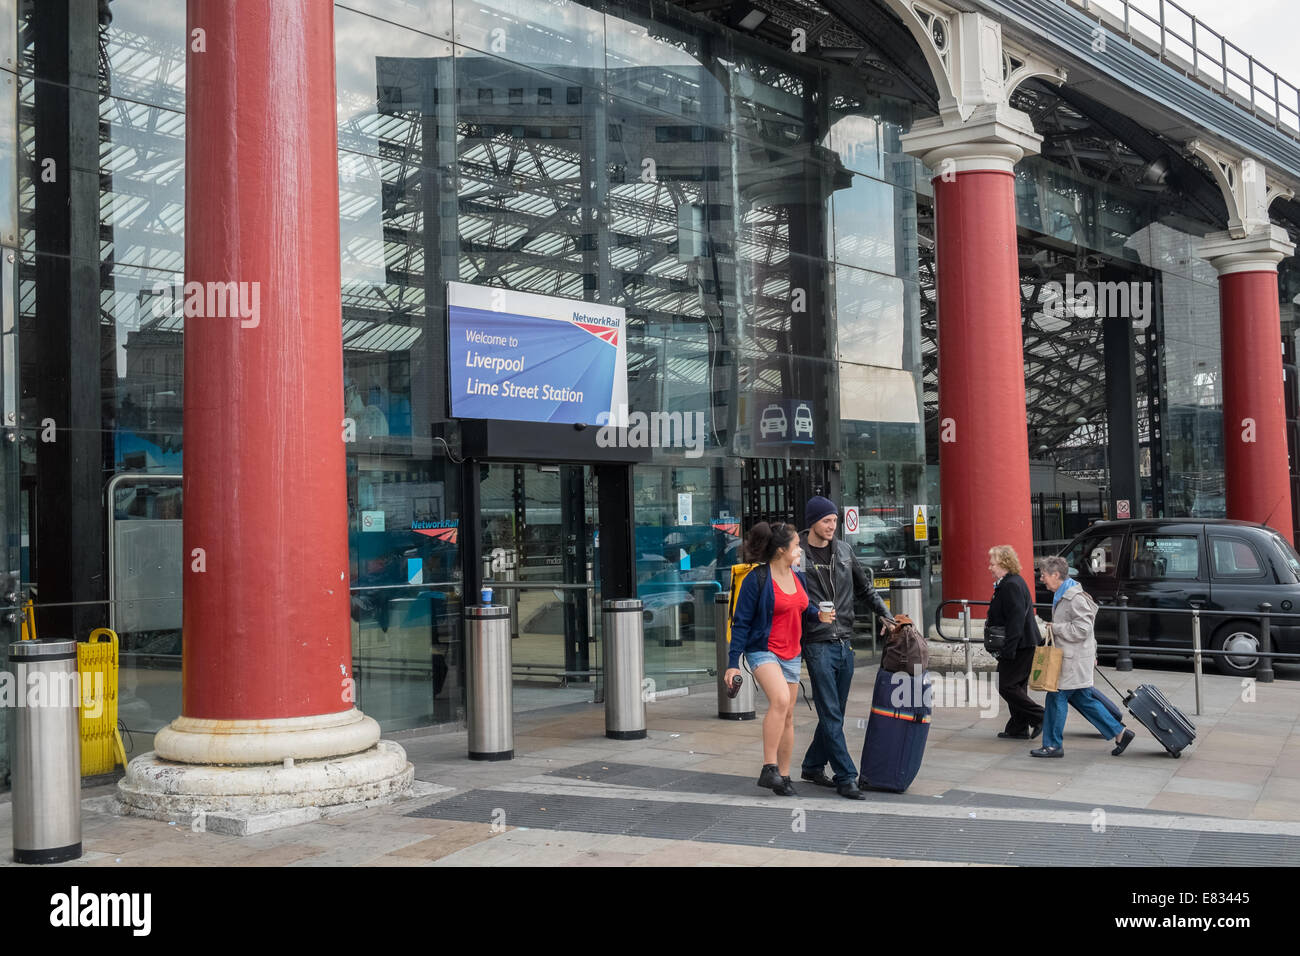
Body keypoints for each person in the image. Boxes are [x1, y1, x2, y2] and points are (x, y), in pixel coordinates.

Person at [724, 521, 834, 795]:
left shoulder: (796, 577)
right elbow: (741, 623)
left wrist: (817, 615)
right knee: (780, 700)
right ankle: (768, 767)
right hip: (763, 650)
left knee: (787, 716)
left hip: (792, 652)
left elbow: (802, 605)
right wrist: (732, 663)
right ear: (782, 549)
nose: (800, 549)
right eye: (796, 545)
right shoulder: (757, 579)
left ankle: (783, 777)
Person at [797, 496, 895, 799]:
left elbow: (865, 588)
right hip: (816, 641)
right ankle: (846, 775)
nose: (832, 526)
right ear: (813, 521)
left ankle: (813, 765)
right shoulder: (796, 553)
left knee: (835, 711)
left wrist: (886, 615)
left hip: (844, 640)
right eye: (826, 520)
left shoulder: (844, 551)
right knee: (830, 712)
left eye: (835, 521)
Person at [1031, 555, 1136, 758]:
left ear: (1055, 575)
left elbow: (1083, 629)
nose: (1041, 579)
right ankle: (1121, 733)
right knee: (1083, 700)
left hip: (1073, 660)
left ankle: (1053, 745)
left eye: (1043, 575)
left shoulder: (1074, 598)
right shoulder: (1064, 594)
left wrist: (1055, 627)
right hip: (1074, 659)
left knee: (1056, 697)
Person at [986, 545, 1045, 740]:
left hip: (1020, 645)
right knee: (1017, 685)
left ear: (1003, 564)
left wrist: (1009, 649)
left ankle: (1040, 716)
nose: (990, 567)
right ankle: (1018, 728)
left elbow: (1016, 619)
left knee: (1005, 685)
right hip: (1023, 643)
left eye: (992, 563)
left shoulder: (1011, 585)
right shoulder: (1011, 582)